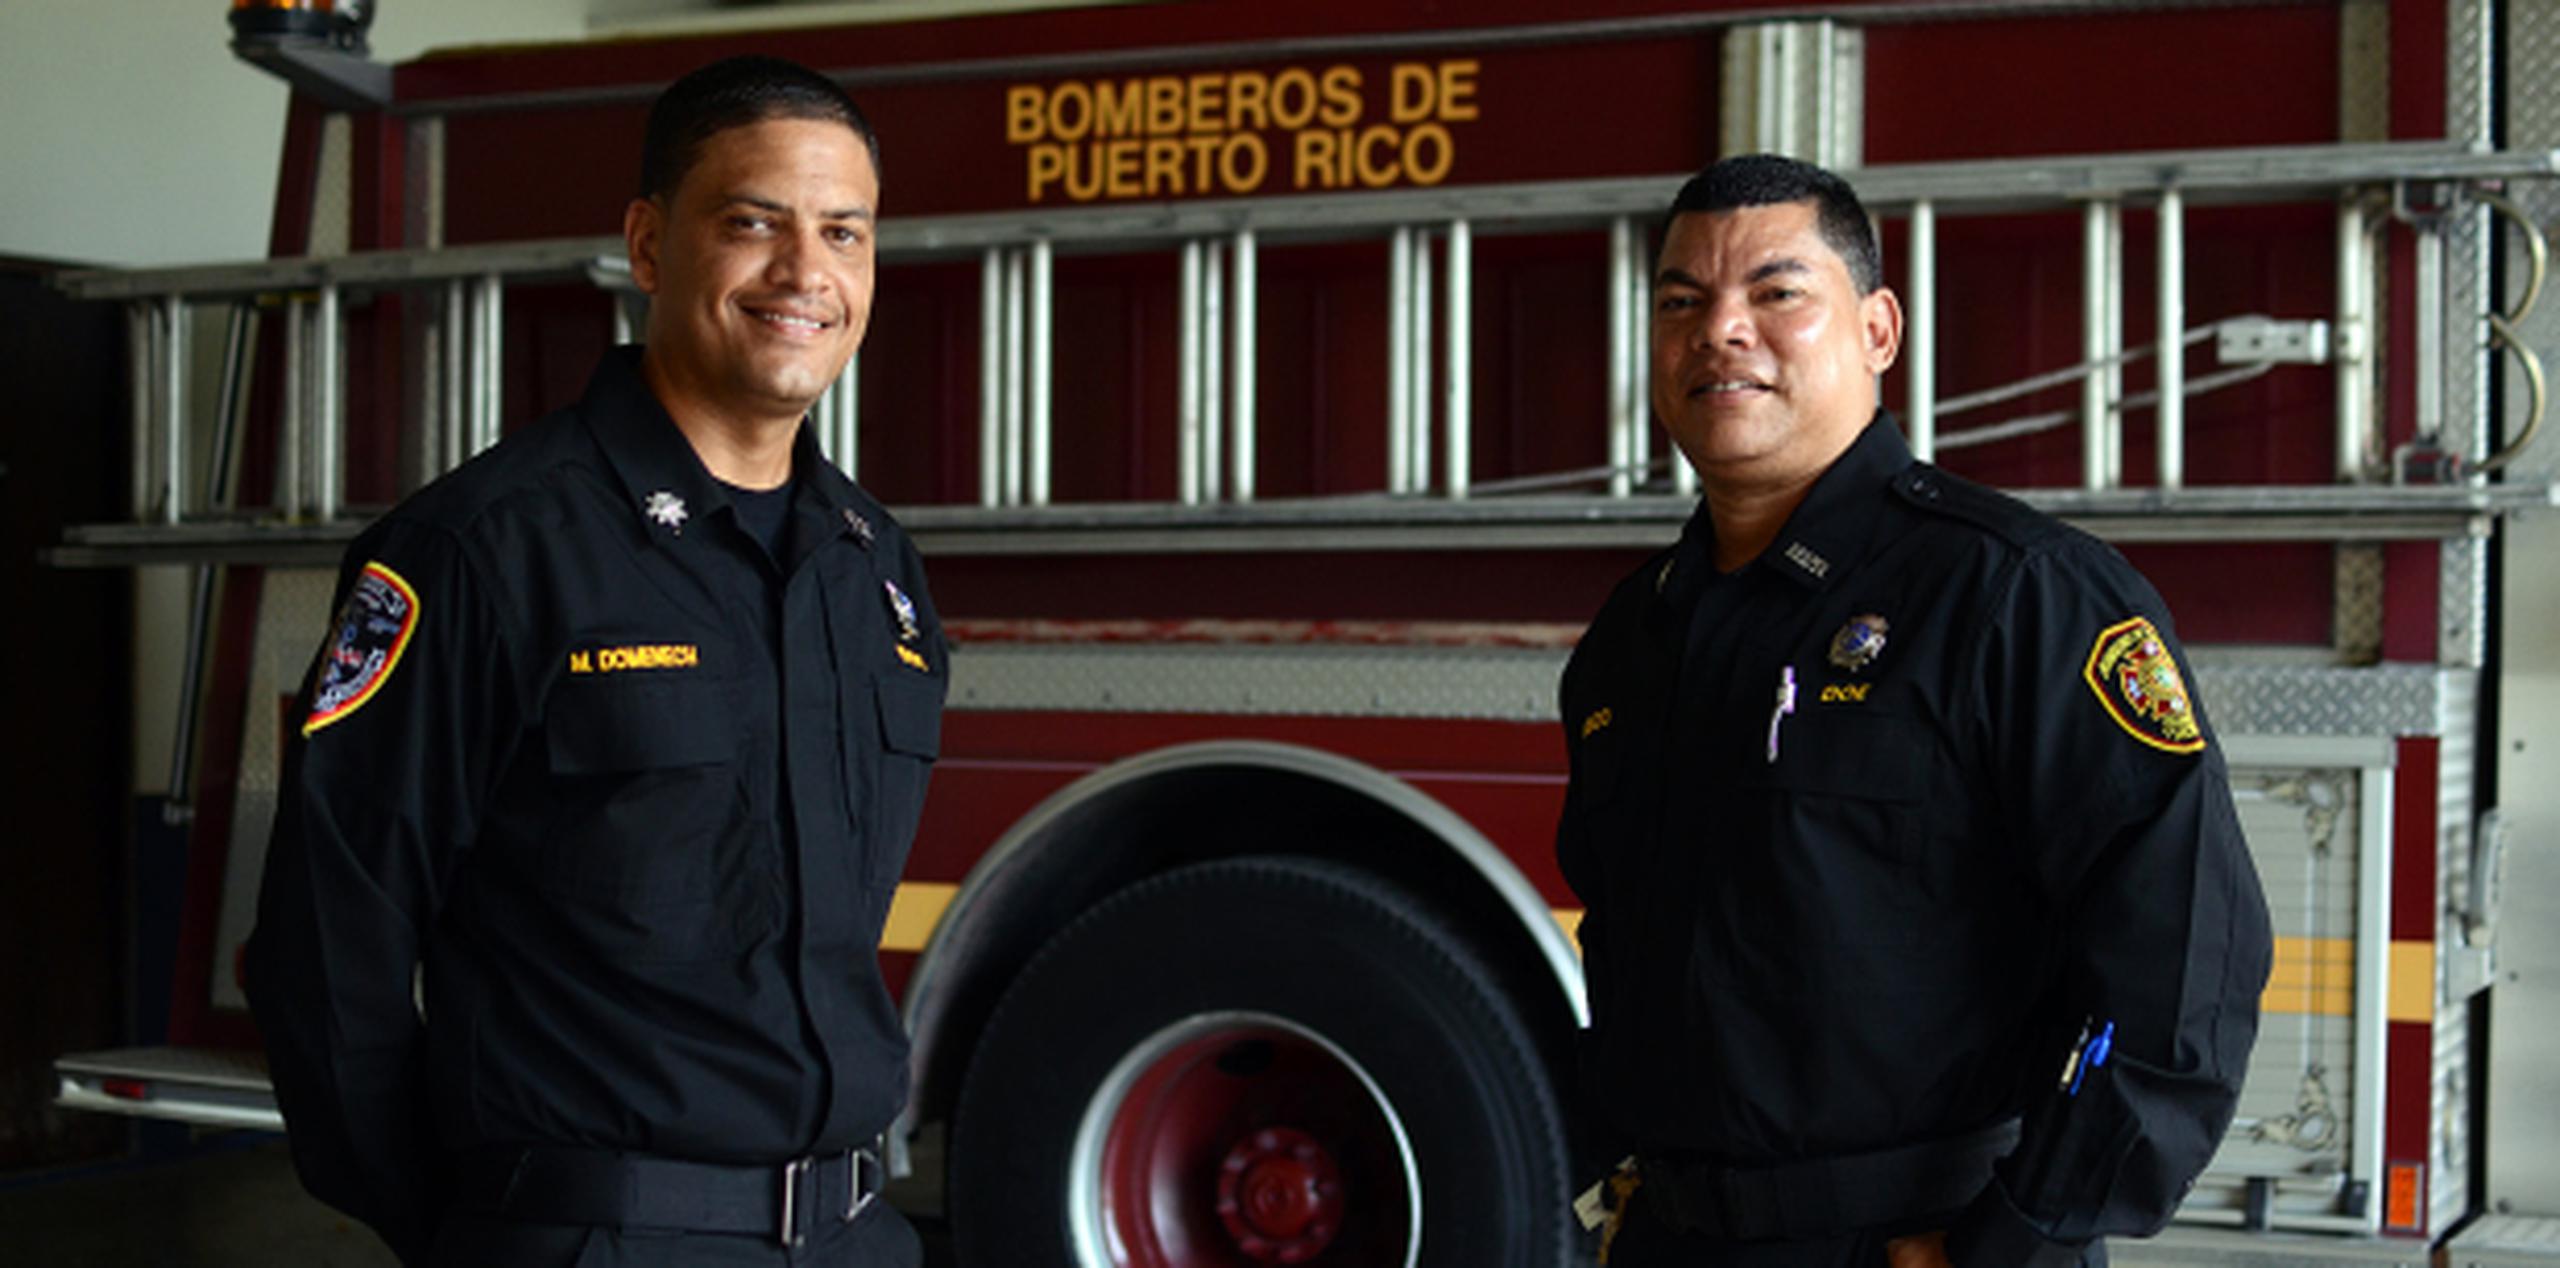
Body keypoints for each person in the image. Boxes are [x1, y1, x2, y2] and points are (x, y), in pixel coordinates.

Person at [246, 55, 942, 1268]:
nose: (806, 274)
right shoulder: (481, 549)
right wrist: (481, 1227)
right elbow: (327, 947)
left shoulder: (871, 564)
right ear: (648, 242)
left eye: (844, 232)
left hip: (852, 1233)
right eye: (752, 223)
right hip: (597, 1236)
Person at [1555, 153, 2272, 1267]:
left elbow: (2185, 958)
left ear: (1877, 331)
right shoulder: (1630, 640)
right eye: (1680, 300)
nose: (1721, 330)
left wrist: (2023, 1237)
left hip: (1916, 1241)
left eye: (1776, 291)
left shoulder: (2015, 593)